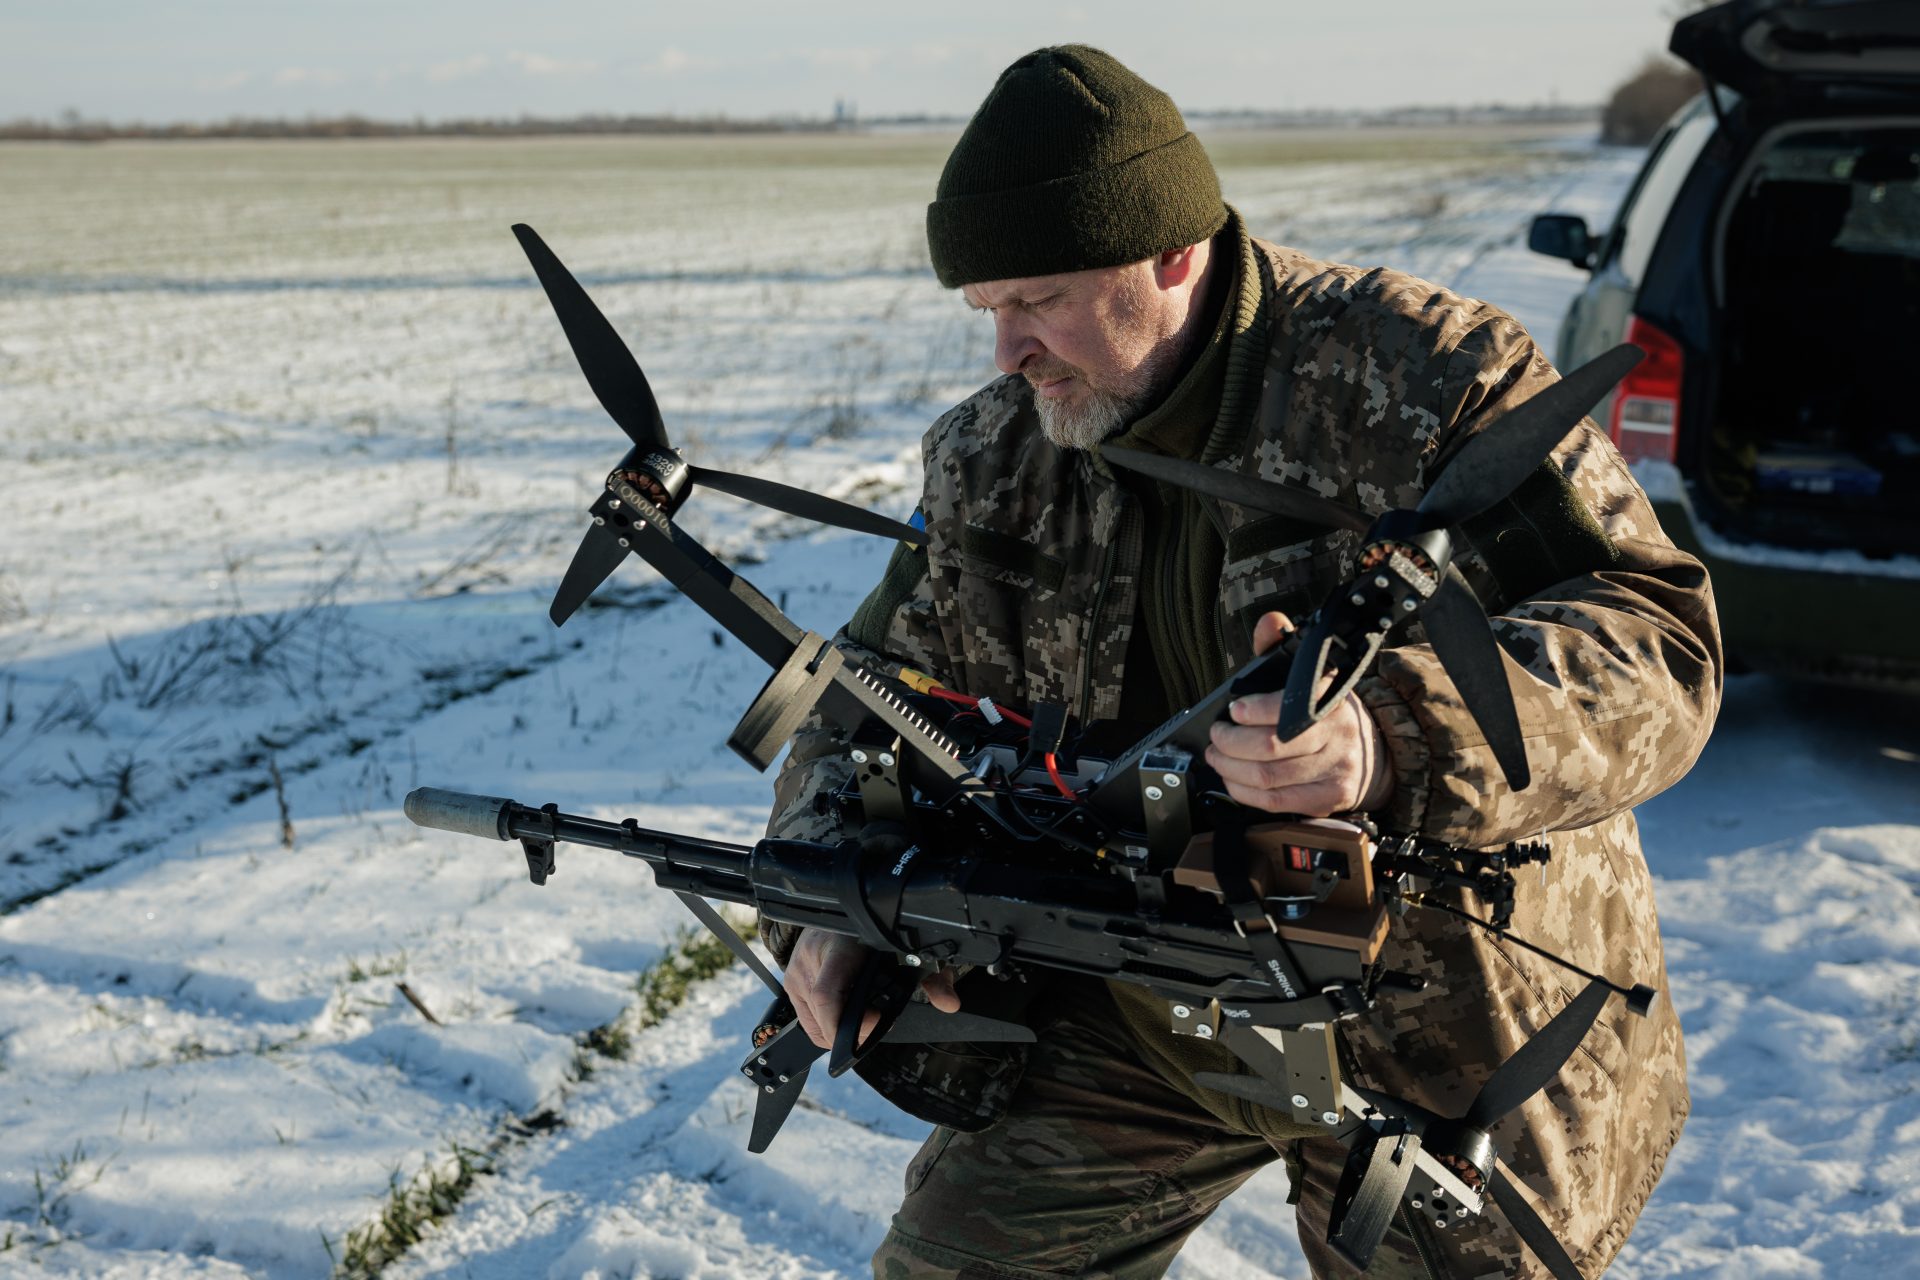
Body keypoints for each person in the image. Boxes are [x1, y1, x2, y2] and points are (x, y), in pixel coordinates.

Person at [761, 45, 1719, 1279]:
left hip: (1436, 1030)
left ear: (1170, 254)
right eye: (983, 308)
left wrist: (1390, 738)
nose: (1006, 350)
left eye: (1038, 299)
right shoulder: (995, 457)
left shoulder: (1424, 381)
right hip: (1135, 999)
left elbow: (1662, 641)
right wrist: (830, 890)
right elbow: (861, 699)